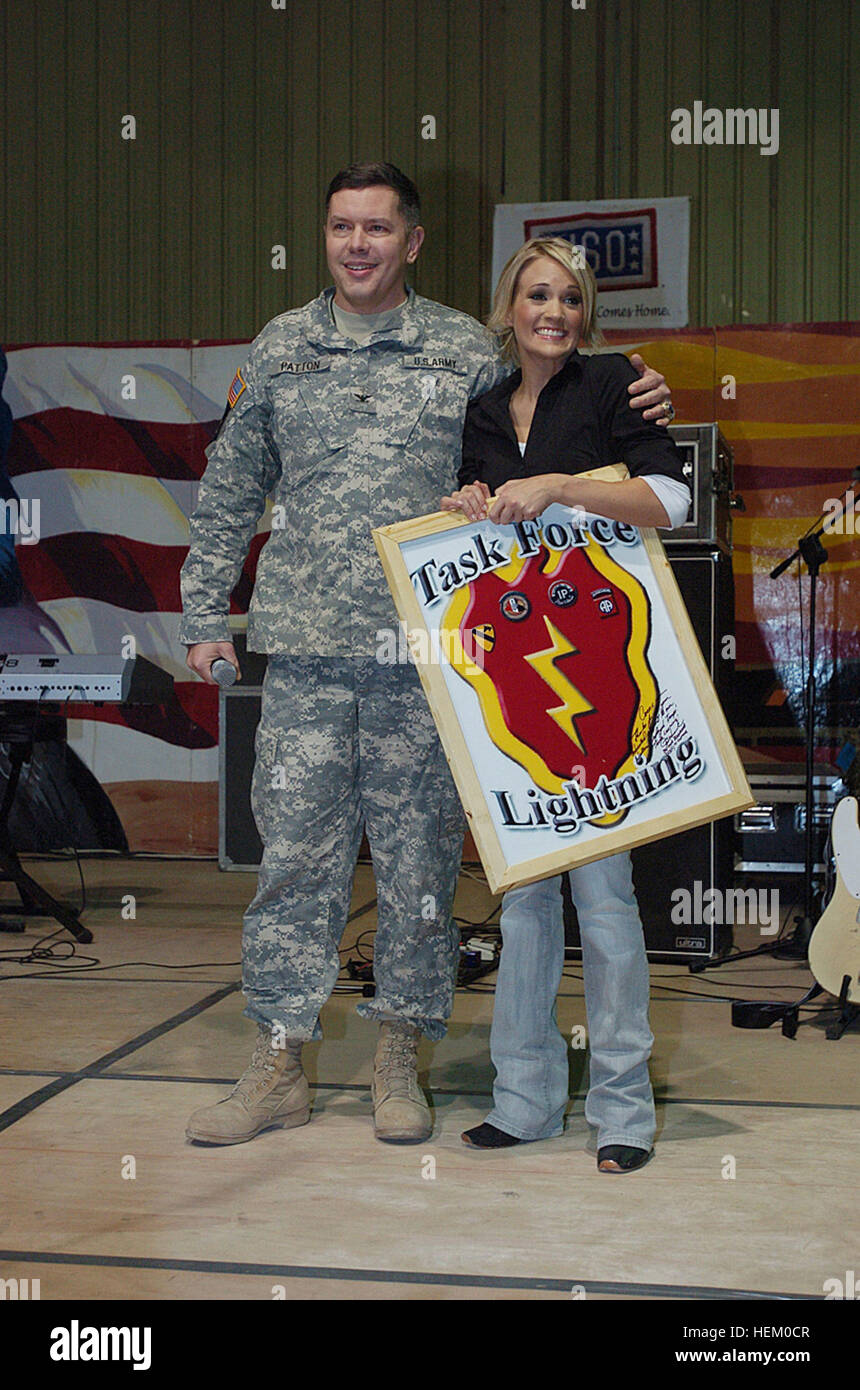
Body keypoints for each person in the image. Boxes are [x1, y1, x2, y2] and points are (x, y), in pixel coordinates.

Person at [179, 166, 674, 1148]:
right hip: (309, 649)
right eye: (338, 227)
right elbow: (232, 482)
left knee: (416, 869)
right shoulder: (281, 346)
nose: (355, 243)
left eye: (376, 227)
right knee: (294, 864)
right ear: (323, 238)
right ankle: (277, 1059)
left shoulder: (463, 350)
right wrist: (203, 611)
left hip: (431, 653)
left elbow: (557, 392)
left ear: (410, 241)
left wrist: (637, 384)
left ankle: (397, 1055)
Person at [440, 236, 690, 1172]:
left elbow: (671, 497)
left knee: (609, 900)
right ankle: (525, 1100)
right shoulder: (480, 409)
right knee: (524, 903)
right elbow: (472, 524)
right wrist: (471, 501)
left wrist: (556, 486)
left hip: (605, 676)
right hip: (515, 682)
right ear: (510, 305)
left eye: (572, 298)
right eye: (538, 295)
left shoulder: (616, 383)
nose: (555, 311)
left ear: (586, 313)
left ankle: (624, 1114)